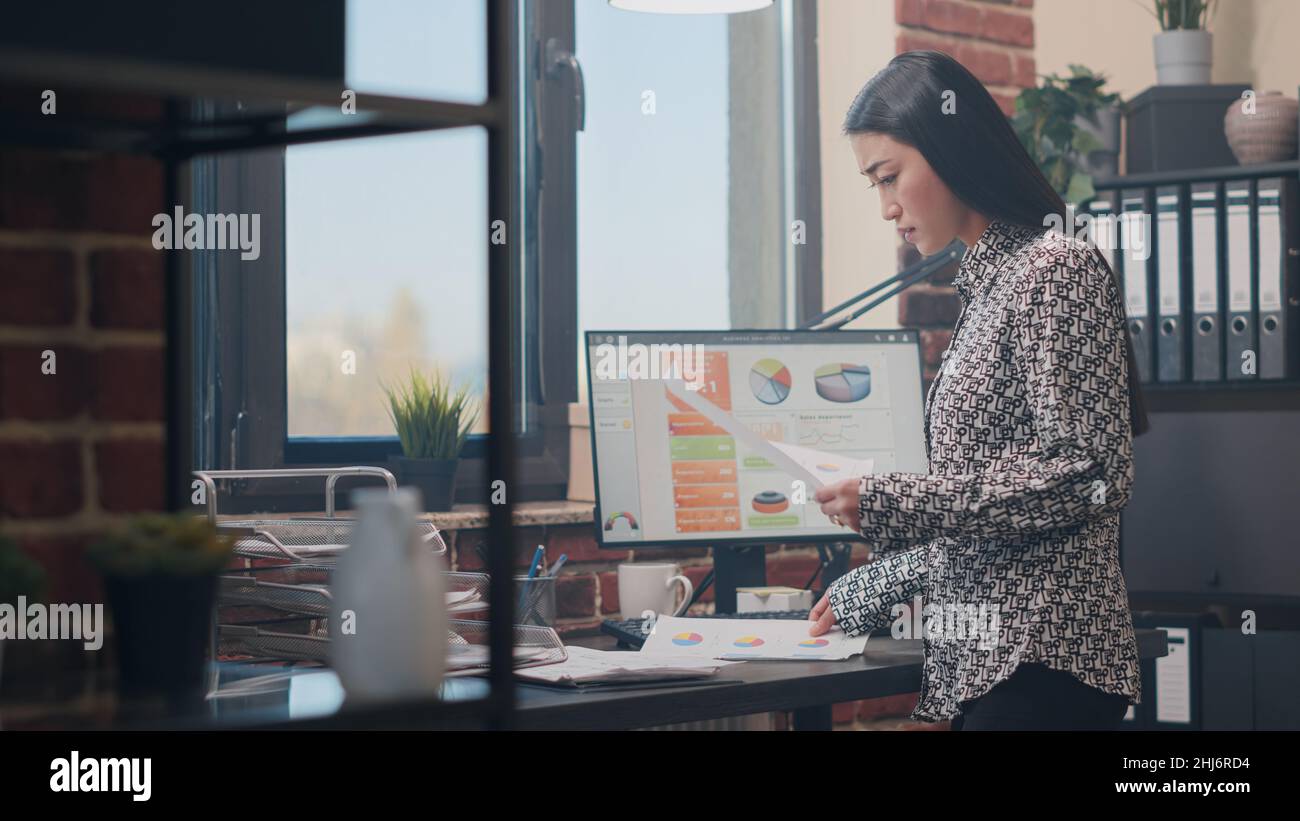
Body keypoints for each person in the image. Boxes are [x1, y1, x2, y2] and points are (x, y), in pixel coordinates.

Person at [806, 50, 1149, 731]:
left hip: (1045, 667)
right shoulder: (991, 288)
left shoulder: (1054, 269)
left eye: (889, 177)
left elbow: (1090, 475)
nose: (886, 208)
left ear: (949, 147)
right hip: (1003, 671)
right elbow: (990, 527)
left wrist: (886, 496)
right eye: (873, 186)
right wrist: (879, 581)